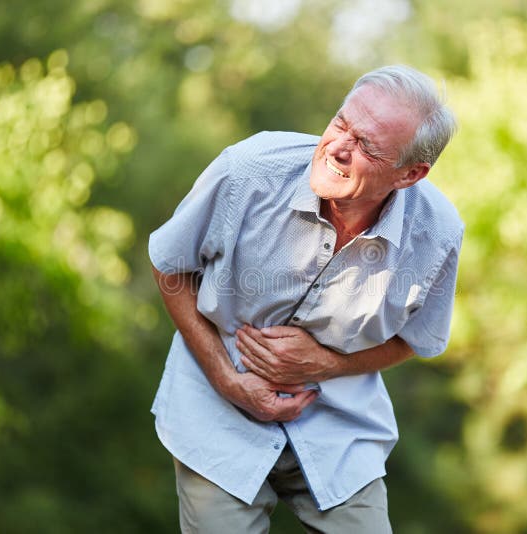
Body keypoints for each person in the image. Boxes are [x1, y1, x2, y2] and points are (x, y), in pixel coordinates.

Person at [149, 65, 463, 533]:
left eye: (367, 147)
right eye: (341, 123)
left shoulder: (436, 234)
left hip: (340, 429)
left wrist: (326, 365)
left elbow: (415, 340)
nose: (338, 148)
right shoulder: (248, 170)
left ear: (411, 173)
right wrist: (225, 377)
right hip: (216, 415)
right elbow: (170, 265)